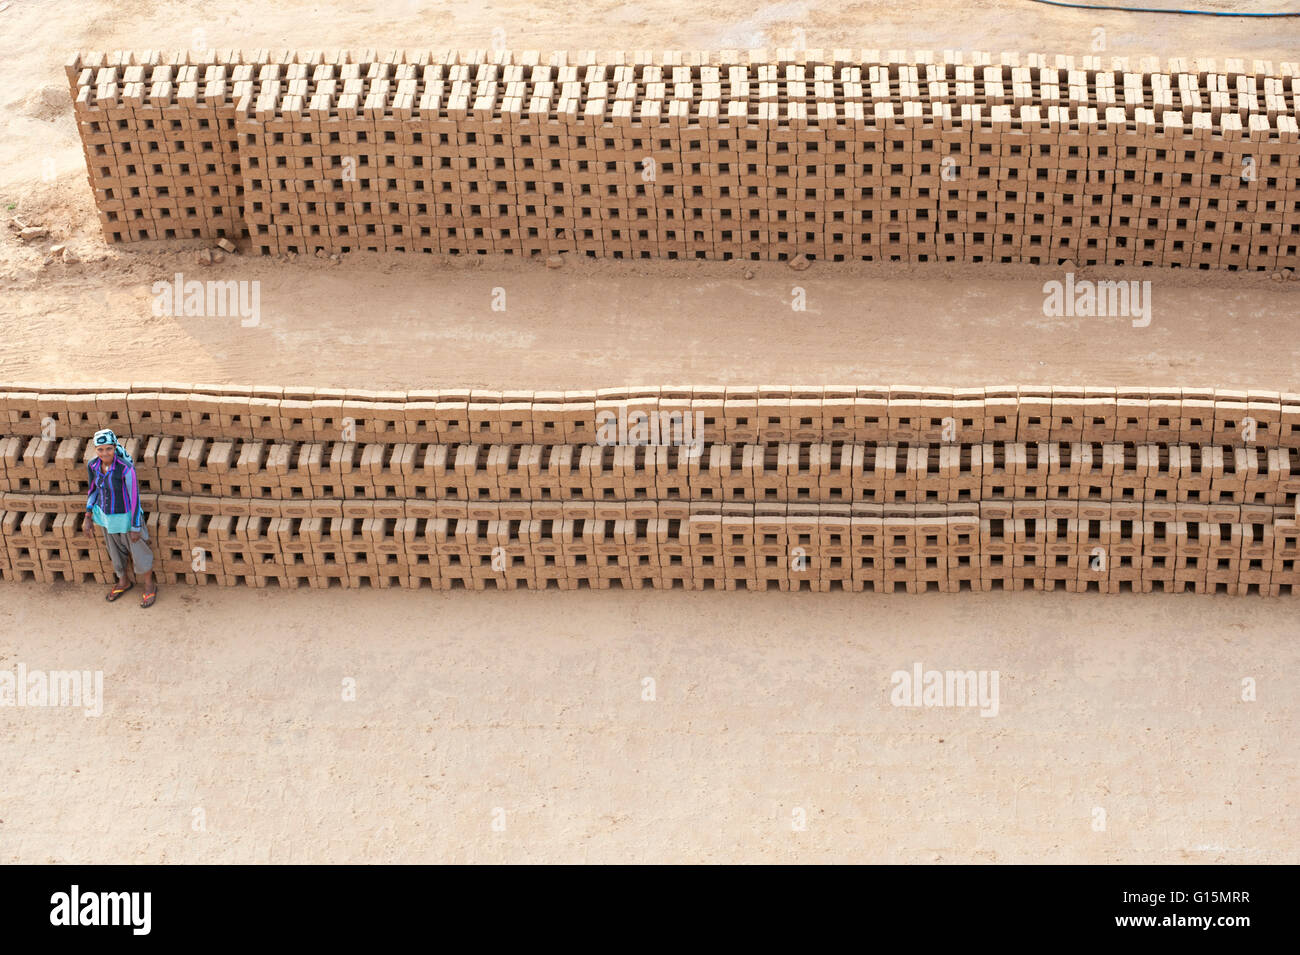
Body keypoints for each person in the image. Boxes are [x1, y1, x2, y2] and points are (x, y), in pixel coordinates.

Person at [83, 428, 157, 608]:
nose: (104, 453)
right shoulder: (93, 466)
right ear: (96, 450)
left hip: (126, 519)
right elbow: (93, 490)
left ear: (115, 447)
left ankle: (149, 585)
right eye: (100, 449)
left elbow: (134, 498)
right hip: (106, 519)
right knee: (115, 553)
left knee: (140, 554)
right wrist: (88, 515)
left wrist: (135, 526)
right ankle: (123, 581)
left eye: (108, 448)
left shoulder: (125, 468)